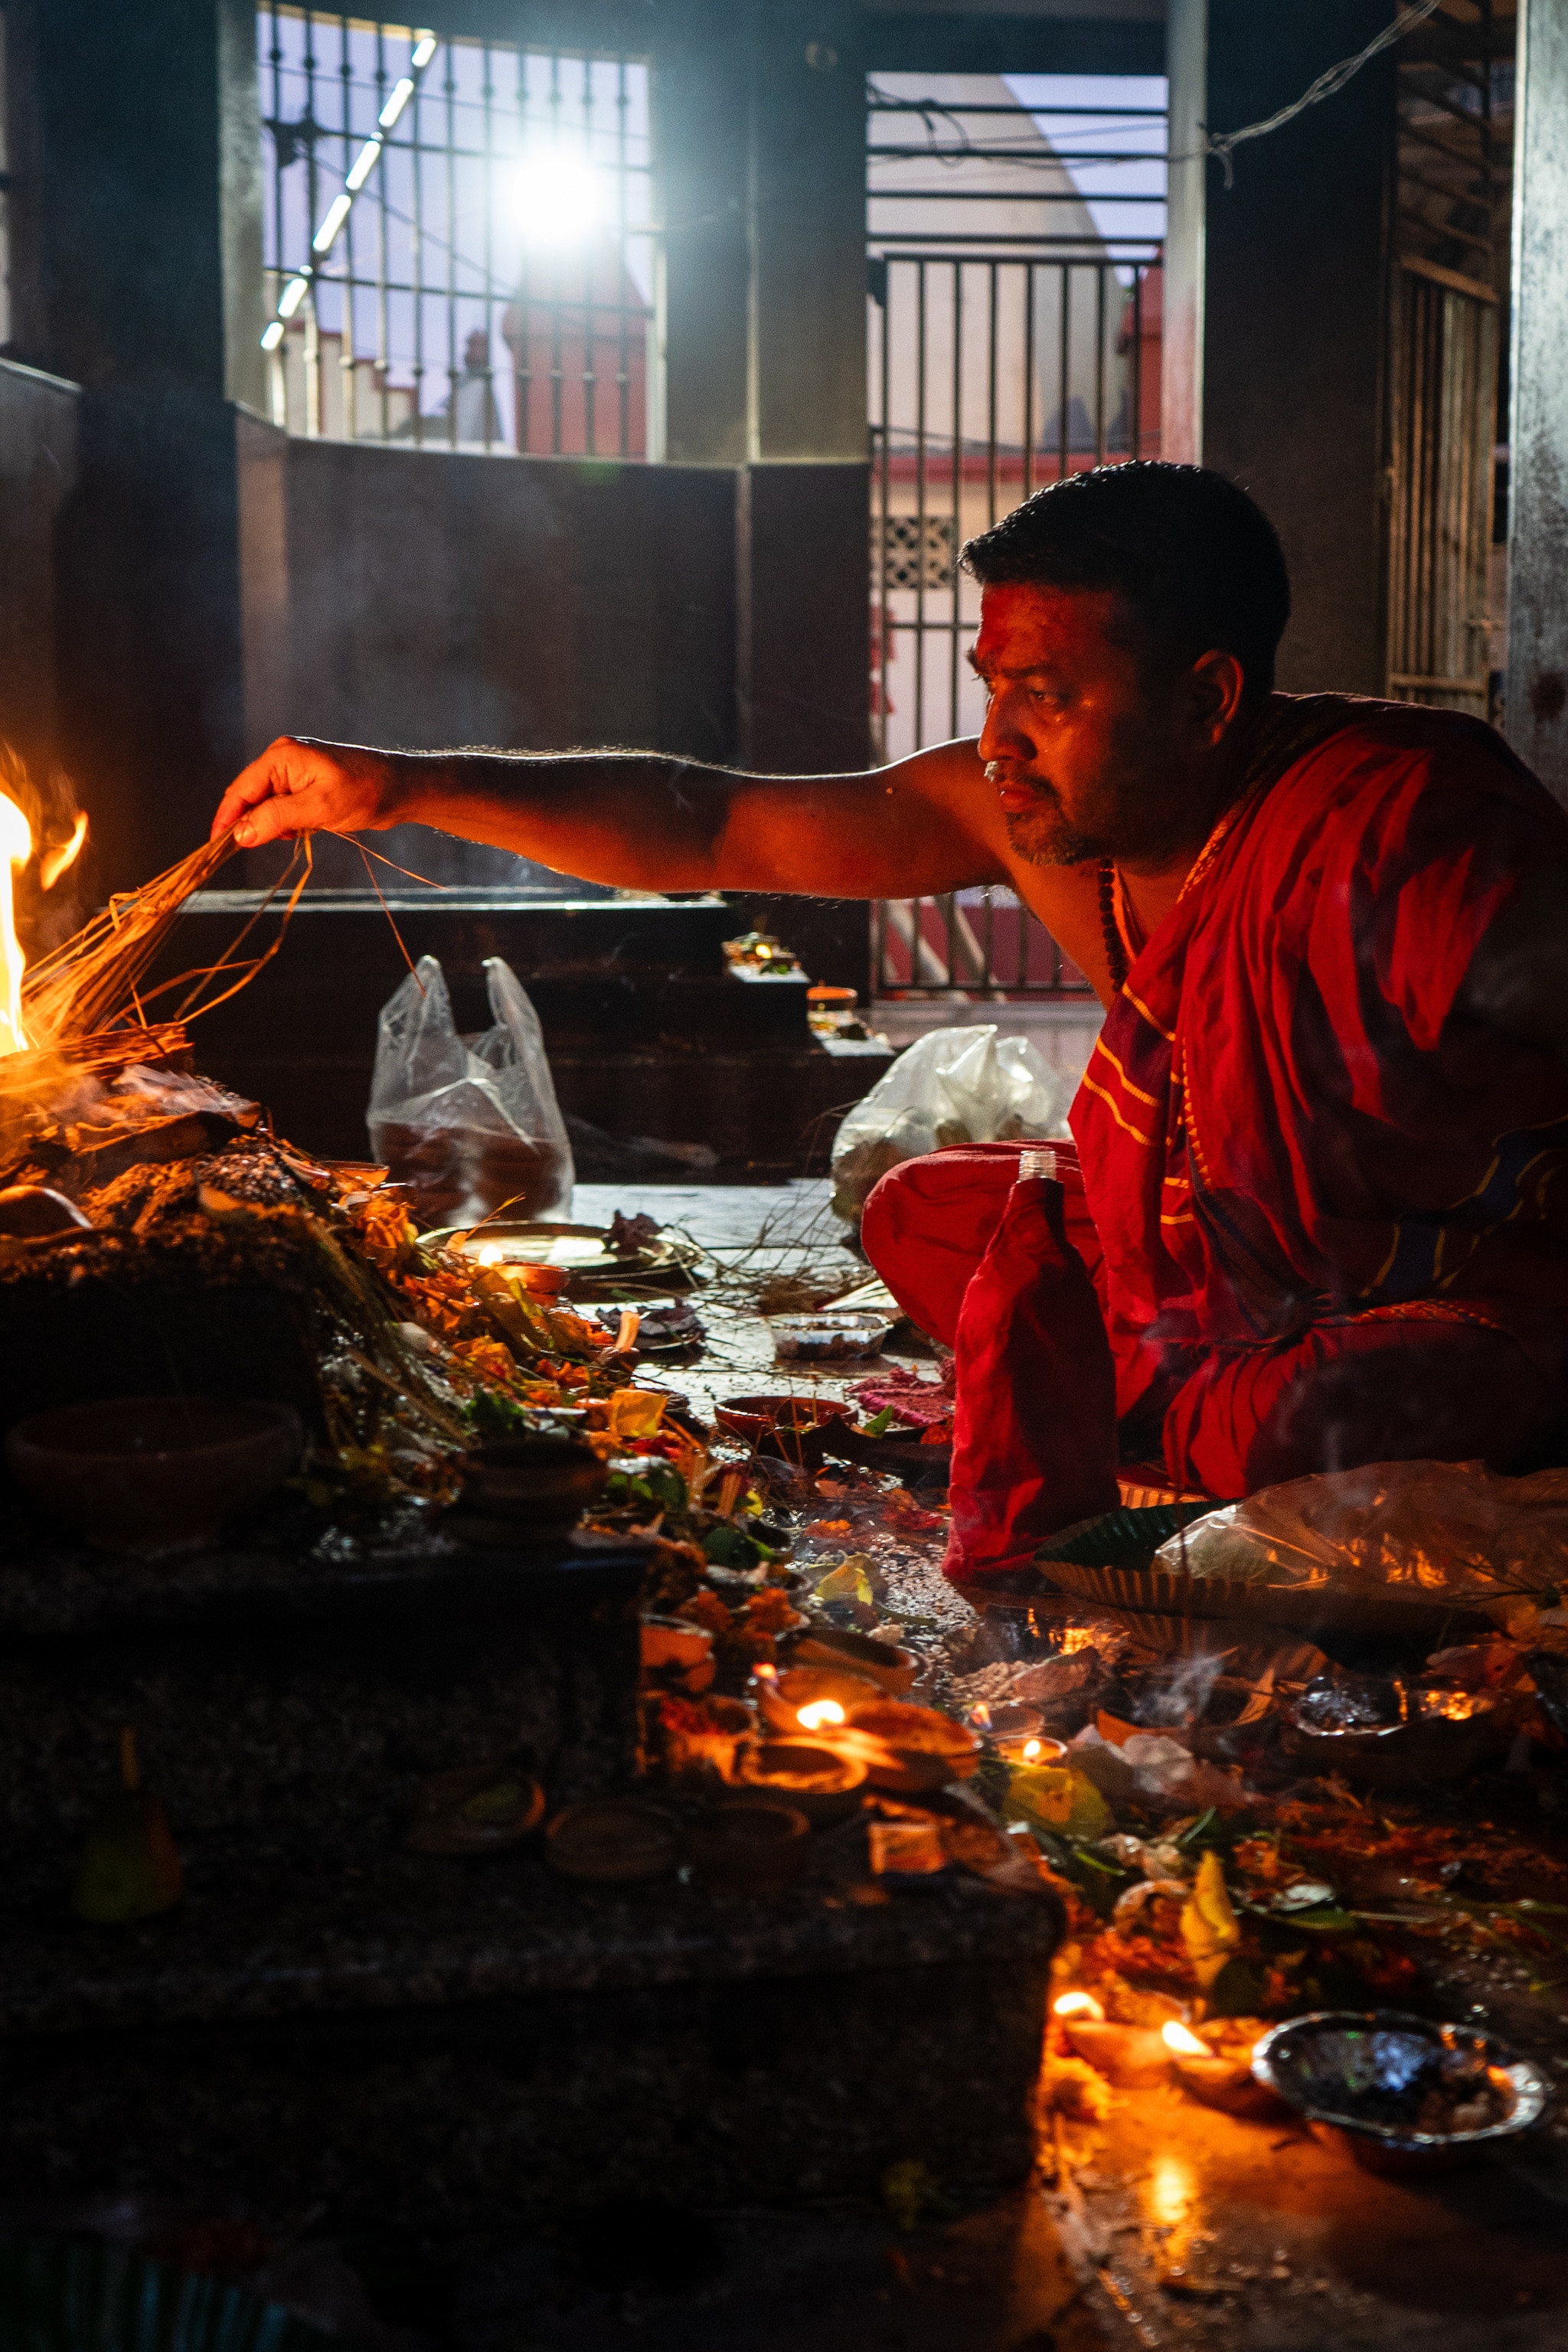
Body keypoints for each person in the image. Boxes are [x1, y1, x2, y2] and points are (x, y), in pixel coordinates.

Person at [213, 462, 1568, 1583]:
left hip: (1412, 1316)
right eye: (993, 686)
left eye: (1047, 695)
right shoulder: (1037, 819)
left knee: (1329, 1405)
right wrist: (401, 785)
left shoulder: (1404, 835)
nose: (995, 742)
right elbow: (713, 818)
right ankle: (1149, 1406)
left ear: (1210, 698)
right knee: (926, 1213)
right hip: (1209, 1292)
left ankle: (1158, 1416)